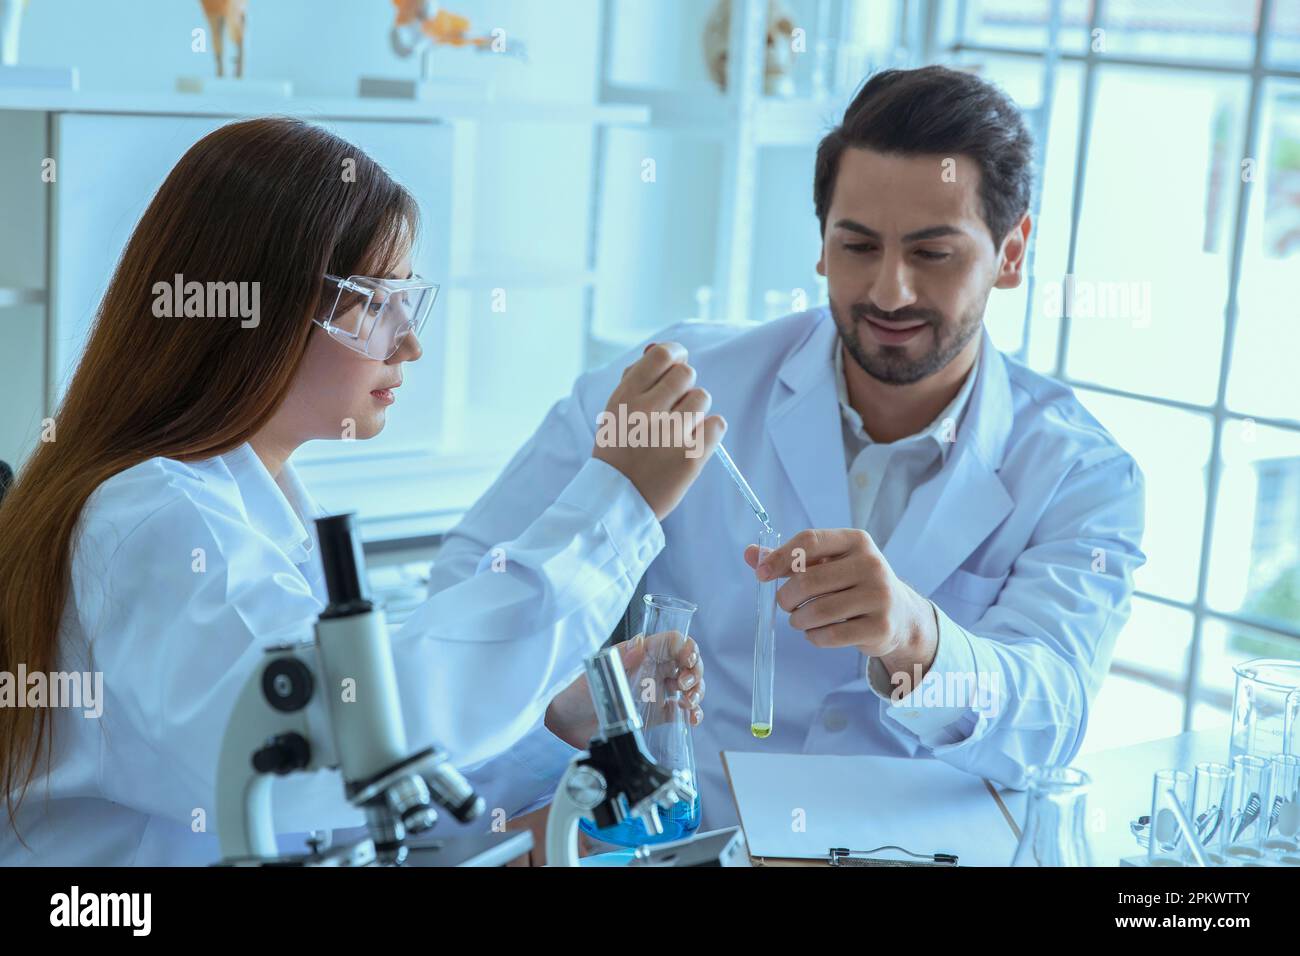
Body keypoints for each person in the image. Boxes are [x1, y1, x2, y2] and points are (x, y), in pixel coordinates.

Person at [430, 66, 1147, 829]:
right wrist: (583, 702)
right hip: (685, 843)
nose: (890, 291)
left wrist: (915, 636)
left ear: (1012, 252)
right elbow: (469, 590)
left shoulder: (1080, 472)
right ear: (821, 245)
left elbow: (1050, 723)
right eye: (858, 245)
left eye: (934, 253)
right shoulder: (681, 385)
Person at [0, 117, 721, 865]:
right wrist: (616, 504)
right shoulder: (155, 521)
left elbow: (364, 788)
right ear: (260, 313)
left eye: (407, 299)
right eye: (375, 301)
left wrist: (556, 717)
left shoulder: (265, 508)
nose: (409, 341)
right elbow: (328, 747)